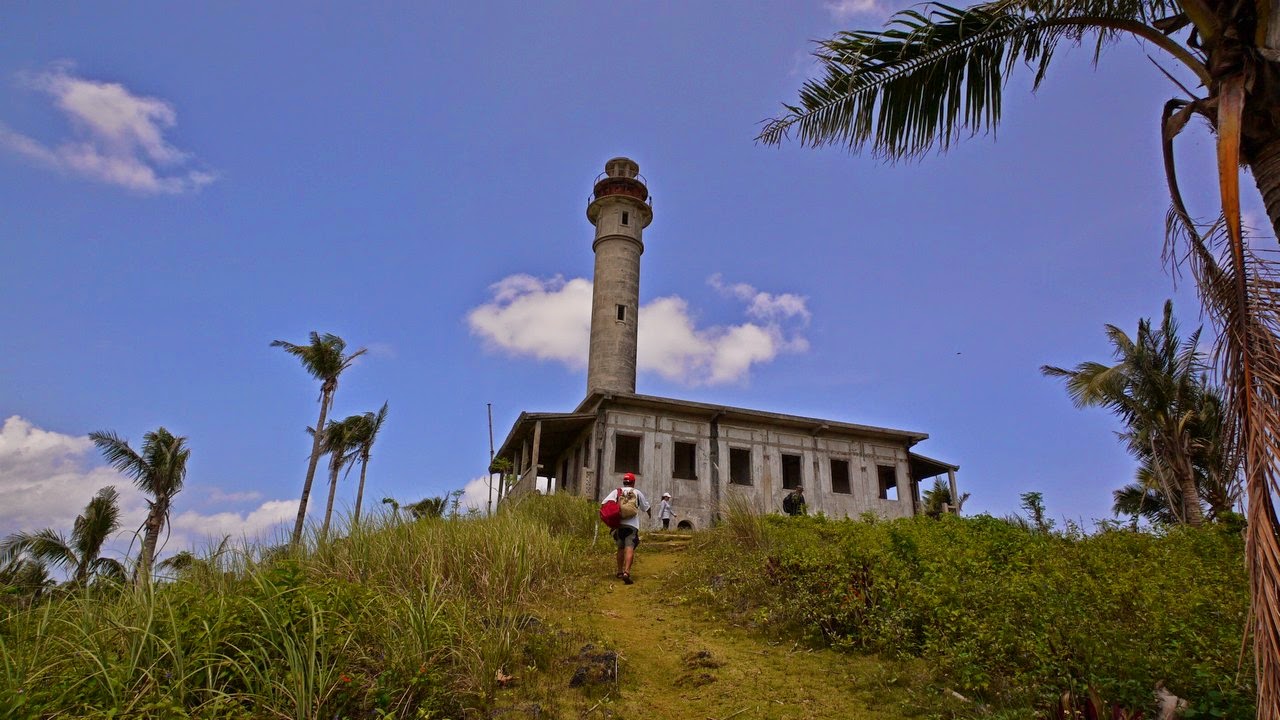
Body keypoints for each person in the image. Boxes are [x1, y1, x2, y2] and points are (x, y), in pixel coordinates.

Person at [602, 472, 651, 584]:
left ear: (624, 482)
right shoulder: (637, 492)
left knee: (620, 548)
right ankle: (626, 572)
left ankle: (619, 572)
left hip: (619, 525)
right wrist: (650, 514)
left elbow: (604, 503)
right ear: (633, 482)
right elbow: (646, 507)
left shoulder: (617, 491)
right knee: (629, 547)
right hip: (632, 525)